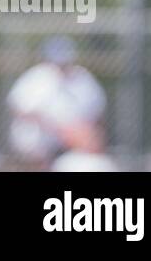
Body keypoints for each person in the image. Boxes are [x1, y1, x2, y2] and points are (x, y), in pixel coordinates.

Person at [6, 37, 108, 170]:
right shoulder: (36, 77)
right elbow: (18, 109)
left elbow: (97, 115)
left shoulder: (83, 78)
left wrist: (82, 134)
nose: (61, 65)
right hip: (42, 138)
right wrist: (58, 129)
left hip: (75, 140)